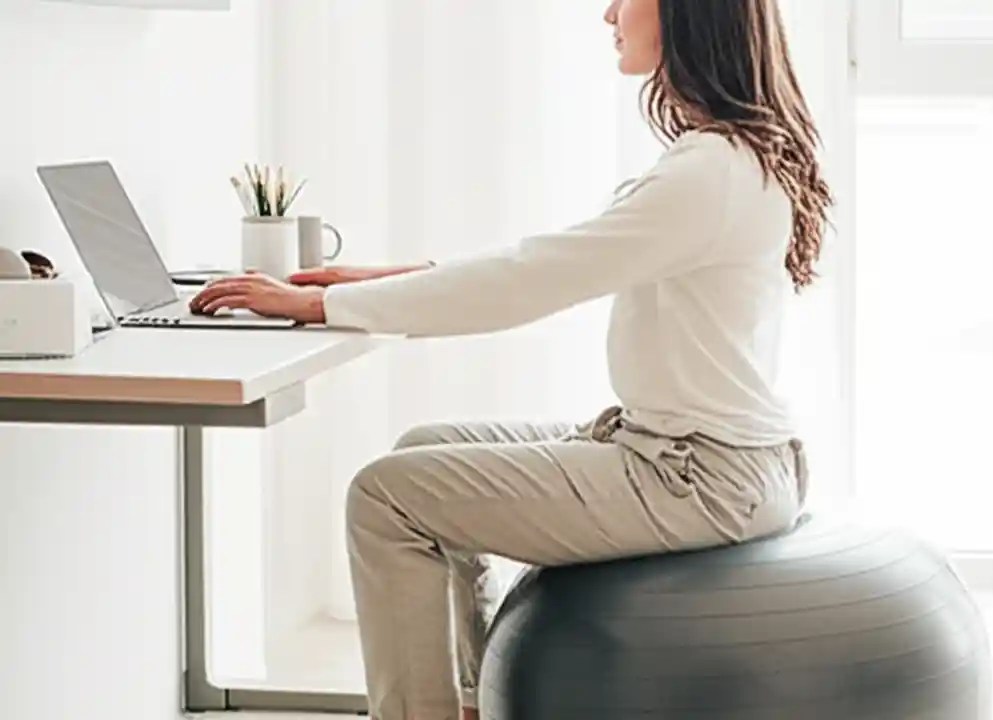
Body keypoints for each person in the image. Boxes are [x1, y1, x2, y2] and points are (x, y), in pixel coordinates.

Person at [190, 0, 833, 717]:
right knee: (421, 450)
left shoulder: (710, 172)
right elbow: (554, 259)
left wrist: (323, 305)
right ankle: (474, 702)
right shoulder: (728, 156)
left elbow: (532, 279)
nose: (609, 13)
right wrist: (376, 281)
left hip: (701, 476)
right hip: (704, 458)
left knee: (384, 497)